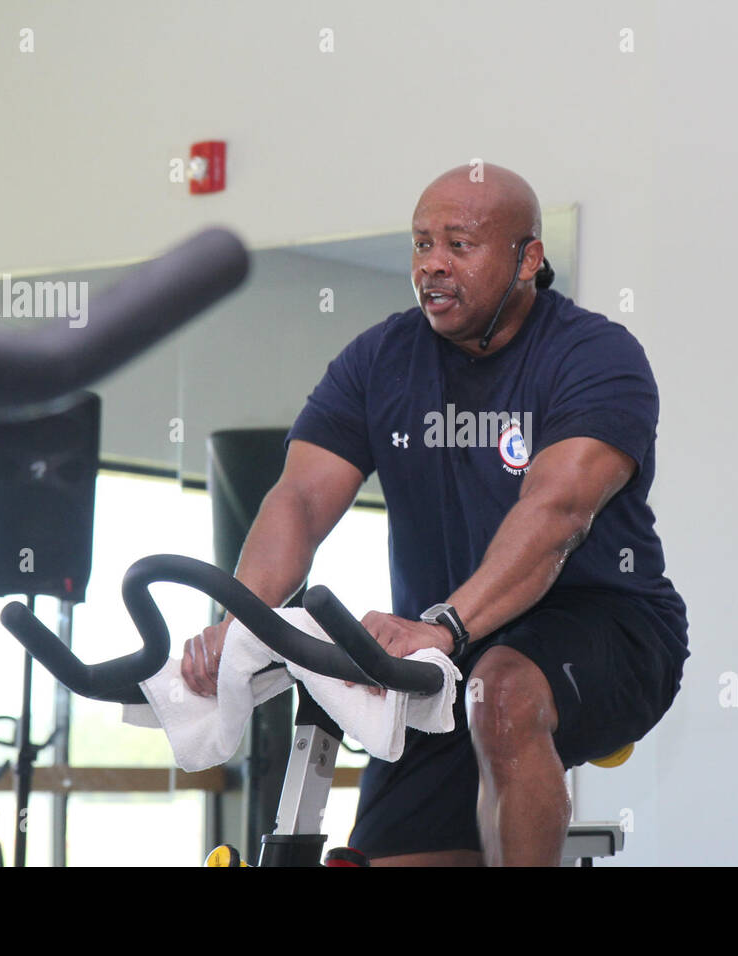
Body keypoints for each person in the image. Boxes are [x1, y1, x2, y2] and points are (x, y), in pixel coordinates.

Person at [179, 163, 689, 866]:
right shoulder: (380, 360)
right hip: (441, 655)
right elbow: (298, 497)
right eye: (422, 244)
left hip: (610, 628)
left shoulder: (594, 356)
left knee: (501, 689)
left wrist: (446, 624)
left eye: (460, 244)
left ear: (527, 258)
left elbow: (557, 512)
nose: (434, 266)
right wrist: (240, 622)